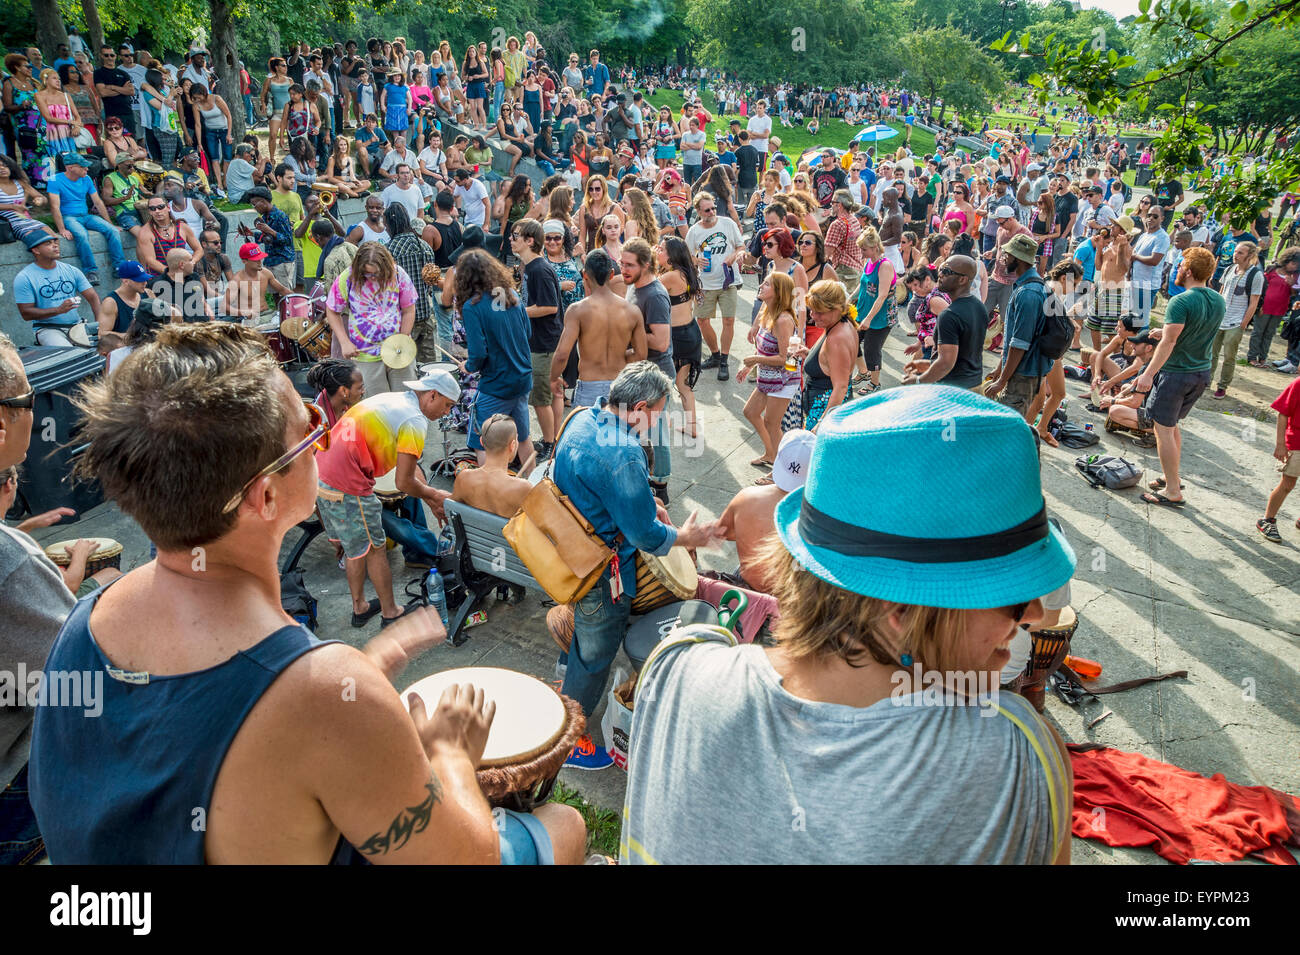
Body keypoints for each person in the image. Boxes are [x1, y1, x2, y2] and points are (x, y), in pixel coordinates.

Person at [29, 325, 582, 864]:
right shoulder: (319, 697)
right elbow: (467, 858)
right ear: (265, 495)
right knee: (565, 825)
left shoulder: (81, 623)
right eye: (312, 427)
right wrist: (450, 755)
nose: (327, 432)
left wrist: (347, 675)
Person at [621, 386, 1074, 864]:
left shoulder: (675, 668)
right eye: (1015, 596)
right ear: (899, 610)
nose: (1034, 615)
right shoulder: (1016, 760)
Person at [554, 362, 724, 770]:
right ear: (641, 407)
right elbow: (646, 537)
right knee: (597, 653)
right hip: (603, 573)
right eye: (659, 414)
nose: (659, 422)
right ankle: (568, 742)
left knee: (587, 643)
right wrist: (687, 538)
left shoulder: (578, 420)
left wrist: (649, 504)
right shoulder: (625, 452)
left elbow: (598, 491)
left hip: (570, 556)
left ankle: (569, 685)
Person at [316, 366, 460, 627]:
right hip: (346, 482)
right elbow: (403, 481)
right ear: (432, 396)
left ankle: (360, 606)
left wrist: (429, 496)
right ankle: (390, 611)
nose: (447, 413)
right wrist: (435, 495)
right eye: (447, 405)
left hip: (322, 472)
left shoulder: (391, 399)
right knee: (375, 549)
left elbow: (404, 471)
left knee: (355, 549)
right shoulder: (414, 420)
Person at [1133, 247, 1224, 507]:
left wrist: (1148, 374)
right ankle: (1170, 475)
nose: (1176, 268)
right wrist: (1165, 331)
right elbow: (1196, 330)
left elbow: (1170, 342)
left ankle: (1173, 491)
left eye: (1181, 264)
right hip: (1201, 372)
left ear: (1189, 271)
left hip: (1176, 375)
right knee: (1172, 427)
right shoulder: (1218, 300)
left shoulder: (1180, 301)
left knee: (1162, 429)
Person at [714, 429, 815, 594]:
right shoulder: (817, 516)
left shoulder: (747, 497)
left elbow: (723, 533)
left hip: (747, 586)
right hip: (788, 596)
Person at [457, 249, 532, 463]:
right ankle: (532, 488)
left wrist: (469, 366)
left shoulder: (472, 307)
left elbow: (478, 353)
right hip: (522, 377)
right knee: (523, 437)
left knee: (482, 441)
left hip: (497, 384)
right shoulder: (511, 294)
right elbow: (527, 333)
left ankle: (488, 494)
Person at [550, 248, 645, 407]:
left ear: (585, 274)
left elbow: (562, 354)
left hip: (589, 387)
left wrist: (553, 378)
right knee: (616, 431)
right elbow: (641, 354)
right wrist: (619, 354)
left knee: (587, 431)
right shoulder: (632, 311)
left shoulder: (577, 310)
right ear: (612, 274)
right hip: (620, 385)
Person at [621, 237, 677, 502]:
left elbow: (661, 340)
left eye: (629, 265)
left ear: (645, 264)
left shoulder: (654, 295)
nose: (624, 269)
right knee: (637, 428)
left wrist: (630, 332)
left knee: (656, 431)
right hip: (639, 370)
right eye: (621, 263)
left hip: (657, 375)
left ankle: (661, 485)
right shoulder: (633, 287)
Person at [325, 241, 417, 396]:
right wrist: (344, 342)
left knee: (405, 401)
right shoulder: (348, 278)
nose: (373, 278)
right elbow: (332, 311)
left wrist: (402, 338)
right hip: (365, 356)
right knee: (377, 408)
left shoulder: (398, 274)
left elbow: (409, 310)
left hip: (398, 351)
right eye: (368, 274)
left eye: (377, 274)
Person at [984, 234, 1054, 420]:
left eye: (1007, 255)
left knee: (1008, 427)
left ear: (1019, 259)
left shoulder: (1028, 294)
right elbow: (1011, 339)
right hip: (1019, 369)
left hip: (1023, 373)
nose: (1003, 259)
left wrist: (1002, 381)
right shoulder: (1026, 285)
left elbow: (1019, 344)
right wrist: (1000, 369)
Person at [738, 271, 798, 470]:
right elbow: (765, 348)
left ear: (778, 292)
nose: (761, 286)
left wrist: (755, 359)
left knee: (772, 424)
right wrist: (752, 365)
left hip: (784, 379)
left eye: (766, 284)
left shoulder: (783, 320)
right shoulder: (767, 312)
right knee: (750, 412)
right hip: (768, 377)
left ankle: (784, 470)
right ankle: (771, 454)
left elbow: (785, 358)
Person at [903, 255, 986, 390]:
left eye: (947, 272)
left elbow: (946, 364)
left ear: (962, 279)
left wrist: (918, 380)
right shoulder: (979, 307)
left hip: (952, 393)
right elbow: (963, 356)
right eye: (941, 269)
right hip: (973, 386)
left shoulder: (949, 315)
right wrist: (926, 364)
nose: (940, 274)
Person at [686, 192, 744, 382]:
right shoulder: (694, 231)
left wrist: (733, 256)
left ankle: (725, 360)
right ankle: (715, 354)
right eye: (707, 209)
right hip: (705, 284)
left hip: (728, 281)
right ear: (698, 211)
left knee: (728, 321)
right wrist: (696, 260)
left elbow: (741, 247)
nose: (712, 212)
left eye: (713, 208)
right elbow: (686, 257)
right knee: (702, 321)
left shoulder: (727, 224)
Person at [788, 280, 858, 431]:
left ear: (837, 309)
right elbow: (833, 364)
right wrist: (810, 354)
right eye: (811, 310)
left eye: (819, 312)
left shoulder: (836, 339)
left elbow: (841, 386)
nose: (813, 316)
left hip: (823, 413)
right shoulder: (843, 324)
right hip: (825, 409)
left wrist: (821, 424)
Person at [13, 228, 102, 346]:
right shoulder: (24, 277)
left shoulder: (71, 270)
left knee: (97, 351)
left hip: (77, 325)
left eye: (55, 242)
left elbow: (93, 297)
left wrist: (100, 325)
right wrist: (58, 310)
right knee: (69, 355)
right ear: (36, 250)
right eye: (48, 244)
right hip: (48, 329)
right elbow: (26, 313)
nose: (55, 246)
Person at [43, 155, 123, 286]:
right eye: (82, 166)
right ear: (70, 167)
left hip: (86, 215)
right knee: (81, 235)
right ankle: (91, 271)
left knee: (112, 231)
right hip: (69, 217)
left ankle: (119, 267)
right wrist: (62, 228)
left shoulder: (86, 179)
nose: (87, 168)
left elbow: (98, 202)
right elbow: (54, 207)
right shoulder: (55, 180)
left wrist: (110, 223)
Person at [1208, 242, 1264, 400]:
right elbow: (1222, 291)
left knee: (1229, 356)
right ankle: (1207, 380)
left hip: (1236, 321)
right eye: (1236, 251)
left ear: (1249, 256)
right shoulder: (1229, 269)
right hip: (1220, 318)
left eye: (1240, 253)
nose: (1235, 254)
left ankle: (1222, 385)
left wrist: (1244, 323)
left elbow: (1254, 302)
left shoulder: (1255, 275)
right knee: (1211, 353)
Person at [451, 413, 535, 518]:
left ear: (481, 441)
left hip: (471, 534)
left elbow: (452, 510)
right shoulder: (522, 488)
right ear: (512, 445)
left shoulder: (463, 478)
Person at [1257, 377, 1300, 543]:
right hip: (1296, 442)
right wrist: (1280, 444)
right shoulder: (1298, 384)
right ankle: (1267, 520)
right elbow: (1283, 413)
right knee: (1287, 484)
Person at [1130, 208, 1171, 327]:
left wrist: (1136, 257)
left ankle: (1142, 343)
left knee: (1141, 320)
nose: (1151, 218)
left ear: (1162, 218)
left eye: (1155, 216)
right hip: (1136, 281)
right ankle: (1132, 343)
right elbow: (1133, 253)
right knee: (1134, 317)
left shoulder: (1162, 237)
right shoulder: (1144, 235)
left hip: (1147, 284)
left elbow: (1154, 260)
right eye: (1149, 215)